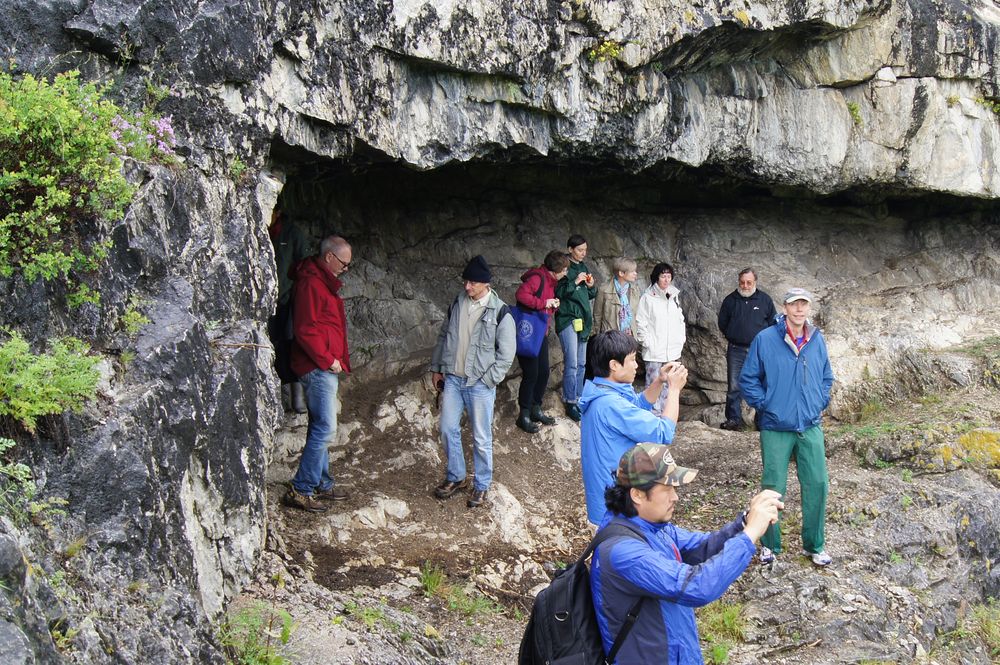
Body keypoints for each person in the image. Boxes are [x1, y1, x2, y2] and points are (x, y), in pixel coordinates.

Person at [591, 444, 783, 664]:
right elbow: (697, 587)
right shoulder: (623, 552)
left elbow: (702, 547)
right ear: (638, 495)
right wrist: (750, 535)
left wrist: (744, 522)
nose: (675, 497)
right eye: (667, 489)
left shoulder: (653, 527)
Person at [739, 287, 835, 566]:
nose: (799, 309)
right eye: (794, 304)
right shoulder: (766, 339)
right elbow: (748, 379)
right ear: (785, 308)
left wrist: (819, 401)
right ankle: (770, 546)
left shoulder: (816, 339)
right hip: (775, 426)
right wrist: (767, 404)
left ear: (809, 308)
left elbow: (826, 376)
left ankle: (814, 546)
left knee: (818, 484)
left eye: (804, 304)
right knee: (772, 487)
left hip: (810, 425)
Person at [430, 256, 516, 508]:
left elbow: (507, 354)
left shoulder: (500, 311)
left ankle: (482, 484)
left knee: (481, 437)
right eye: (466, 281)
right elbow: (444, 336)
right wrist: (437, 368)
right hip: (454, 379)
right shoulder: (458, 303)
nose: (467, 286)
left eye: (473, 283)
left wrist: (489, 380)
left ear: (486, 284)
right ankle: (456, 476)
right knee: (447, 428)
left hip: (480, 383)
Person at [579, 330, 687, 525]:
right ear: (614, 365)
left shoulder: (600, 390)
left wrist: (660, 380)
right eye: (631, 360)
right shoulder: (611, 405)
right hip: (614, 508)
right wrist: (674, 390)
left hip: (604, 500)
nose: (637, 365)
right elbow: (663, 432)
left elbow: (636, 405)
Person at [283, 235, 354, 513]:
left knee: (318, 426)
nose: (346, 269)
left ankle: (322, 482)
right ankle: (301, 488)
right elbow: (305, 329)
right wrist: (328, 360)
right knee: (325, 428)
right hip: (316, 366)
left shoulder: (320, 281)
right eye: (344, 264)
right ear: (329, 257)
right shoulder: (311, 283)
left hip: (320, 364)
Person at [514, 250, 570, 433]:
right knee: (531, 373)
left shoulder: (551, 281)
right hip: (529, 334)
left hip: (540, 333)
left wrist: (551, 305)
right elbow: (521, 295)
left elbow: (544, 304)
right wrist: (544, 303)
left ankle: (535, 408)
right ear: (556, 270)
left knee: (543, 372)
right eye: (564, 269)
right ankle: (524, 414)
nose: (566, 273)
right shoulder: (538, 278)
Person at [717, 268, 776, 430]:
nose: (745, 286)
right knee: (734, 387)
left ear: (755, 282)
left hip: (760, 351)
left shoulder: (765, 300)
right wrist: (733, 335)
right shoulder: (730, 300)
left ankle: (762, 421)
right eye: (742, 282)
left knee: (762, 385)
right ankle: (733, 419)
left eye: (749, 282)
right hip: (736, 350)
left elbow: (773, 324)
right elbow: (722, 323)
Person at [267, 209, 312, 413]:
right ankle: (276, 394)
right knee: (271, 343)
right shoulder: (260, 231)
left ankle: (297, 395)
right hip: (265, 299)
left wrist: (297, 294)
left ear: (277, 212)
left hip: (288, 298)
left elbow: (304, 266)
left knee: (289, 343)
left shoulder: (292, 234)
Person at [554, 235, 597, 422]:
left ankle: (579, 398)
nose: (583, 253)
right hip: (567, 318)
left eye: (585, 250)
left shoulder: (583, 267)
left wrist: (591, 286)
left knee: (581, 363)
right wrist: (575, 282)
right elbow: (558, 292)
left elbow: (590, 294)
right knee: (571, 362)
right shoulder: (563, 266)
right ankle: (570, 401)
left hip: (583, 319)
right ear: (570, 249)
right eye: (580, 250)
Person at [635, 262, 686, 413]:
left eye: (669, 276)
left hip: (673, 351)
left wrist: (681, 339)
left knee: (670, 385)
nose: (666, 280)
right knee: (653, 384)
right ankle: (652, 416)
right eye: (663, 276)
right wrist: (647, 343)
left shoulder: (674, 296)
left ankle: (666, 415)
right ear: (656, 277)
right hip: (654, 351)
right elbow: (640, 322)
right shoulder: (647, 297)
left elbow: (680, 320)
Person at [592, 257, 640, 337]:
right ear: (621, 273)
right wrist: (598, 336)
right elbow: (597, 315)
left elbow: (637, 315)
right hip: (610, 337)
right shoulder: (604, 289)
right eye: (632, 272)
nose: (635, 274)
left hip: (629, 335)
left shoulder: (635, 290)